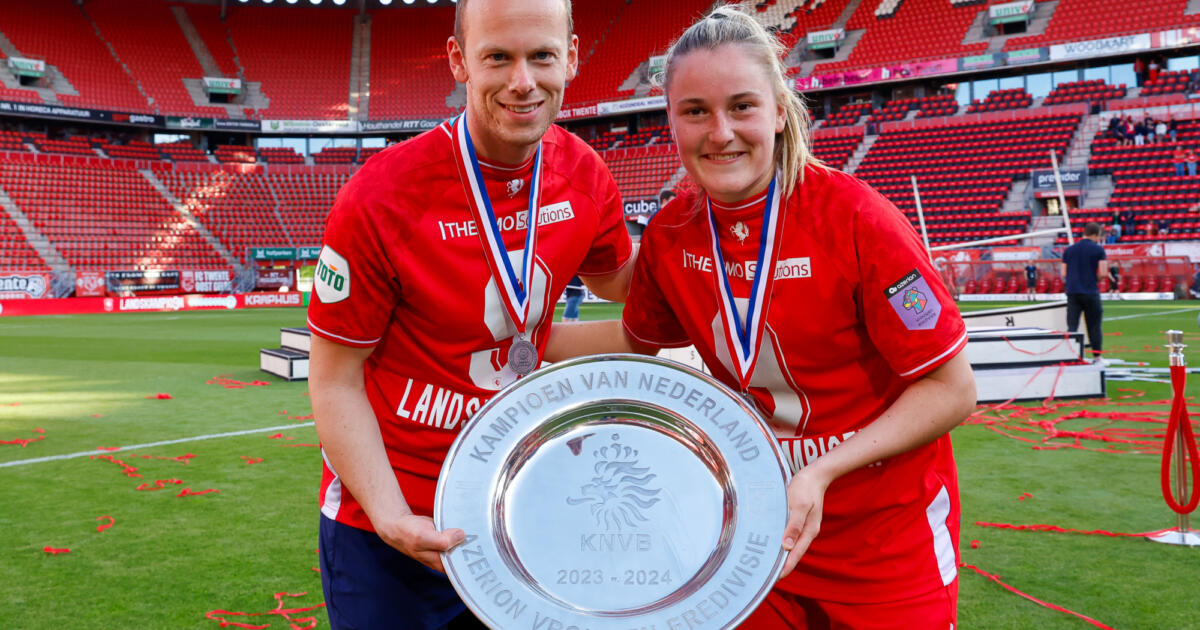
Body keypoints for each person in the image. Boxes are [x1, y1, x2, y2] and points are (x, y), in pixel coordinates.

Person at [545, 6, 976, 627]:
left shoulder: (858, 220)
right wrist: (520, 338)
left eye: (741, 106)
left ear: (778, 111)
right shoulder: (671, 234)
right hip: (755, 537)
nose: (720, 132)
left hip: (884, 539)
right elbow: (634, 342)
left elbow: (952, 387)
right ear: (671, 123)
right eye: (695, 111)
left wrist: (822, 470)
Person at [305, 0, 636, 627]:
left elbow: (623, 284)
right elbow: (333, 378)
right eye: (498, 58)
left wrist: (727, 234)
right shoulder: (381, 196)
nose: (522, 81)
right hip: (391, 527)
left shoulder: (585, 175)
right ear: (459, 61)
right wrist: (389, 514)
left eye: (541, 56)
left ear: (570, 55)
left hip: (521, 509)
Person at [1060, 222, 1108, 362]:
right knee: (1094, 326)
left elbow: (1064, 272)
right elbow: (1104, 272)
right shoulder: (1098, 250)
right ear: (1094, 235)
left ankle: (1071, 355)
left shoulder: (1069, 250)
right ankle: (1097, 356)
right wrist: (1095, 280)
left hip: (1073, 292)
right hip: (1090, 291)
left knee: (1072, 325)